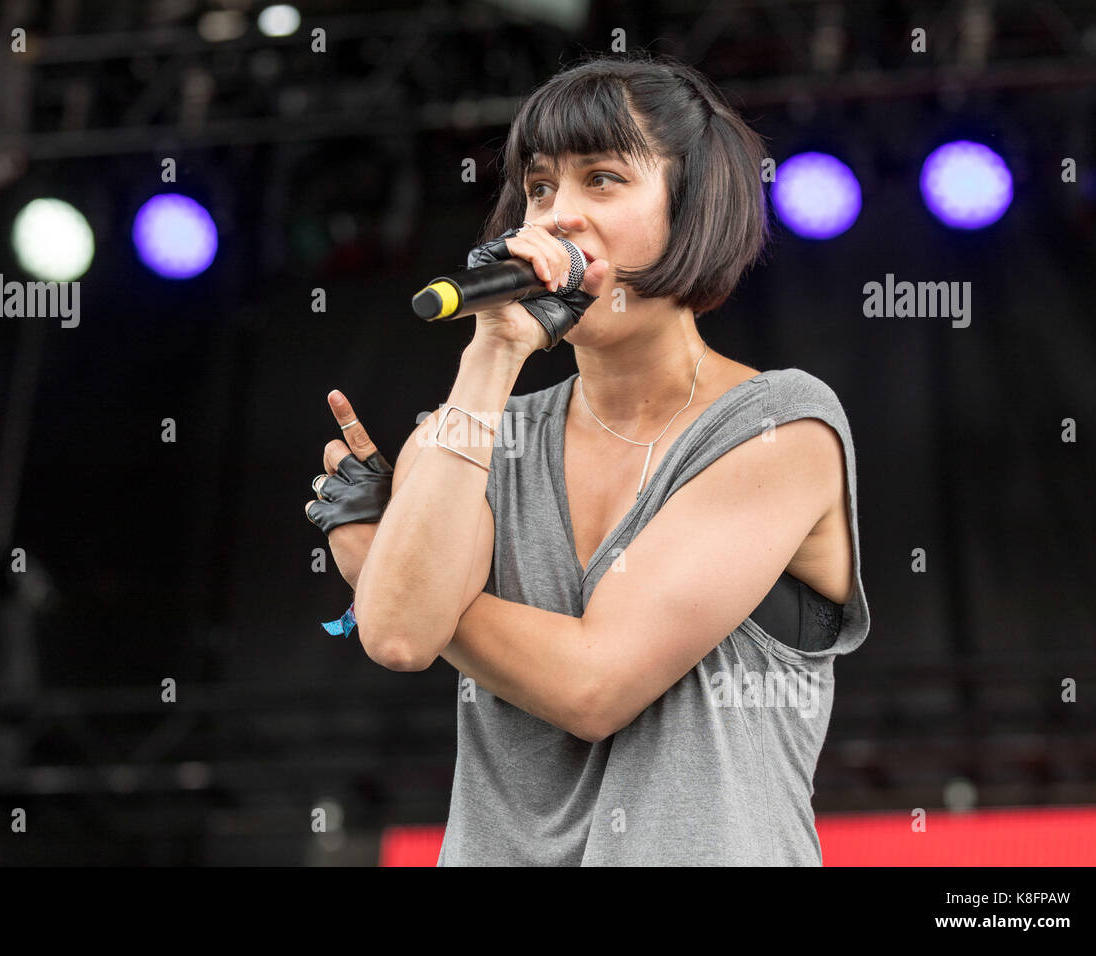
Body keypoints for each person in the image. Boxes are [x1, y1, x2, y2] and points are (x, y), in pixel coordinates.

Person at [307, 52, 871, 865]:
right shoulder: (474, 428)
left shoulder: (781, 424)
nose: (557, 215)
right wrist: (493, 354)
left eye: (602, 179)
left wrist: (377, 558)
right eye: (539, 188)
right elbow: (398, 637)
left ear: (693, 207)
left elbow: (594, 685)